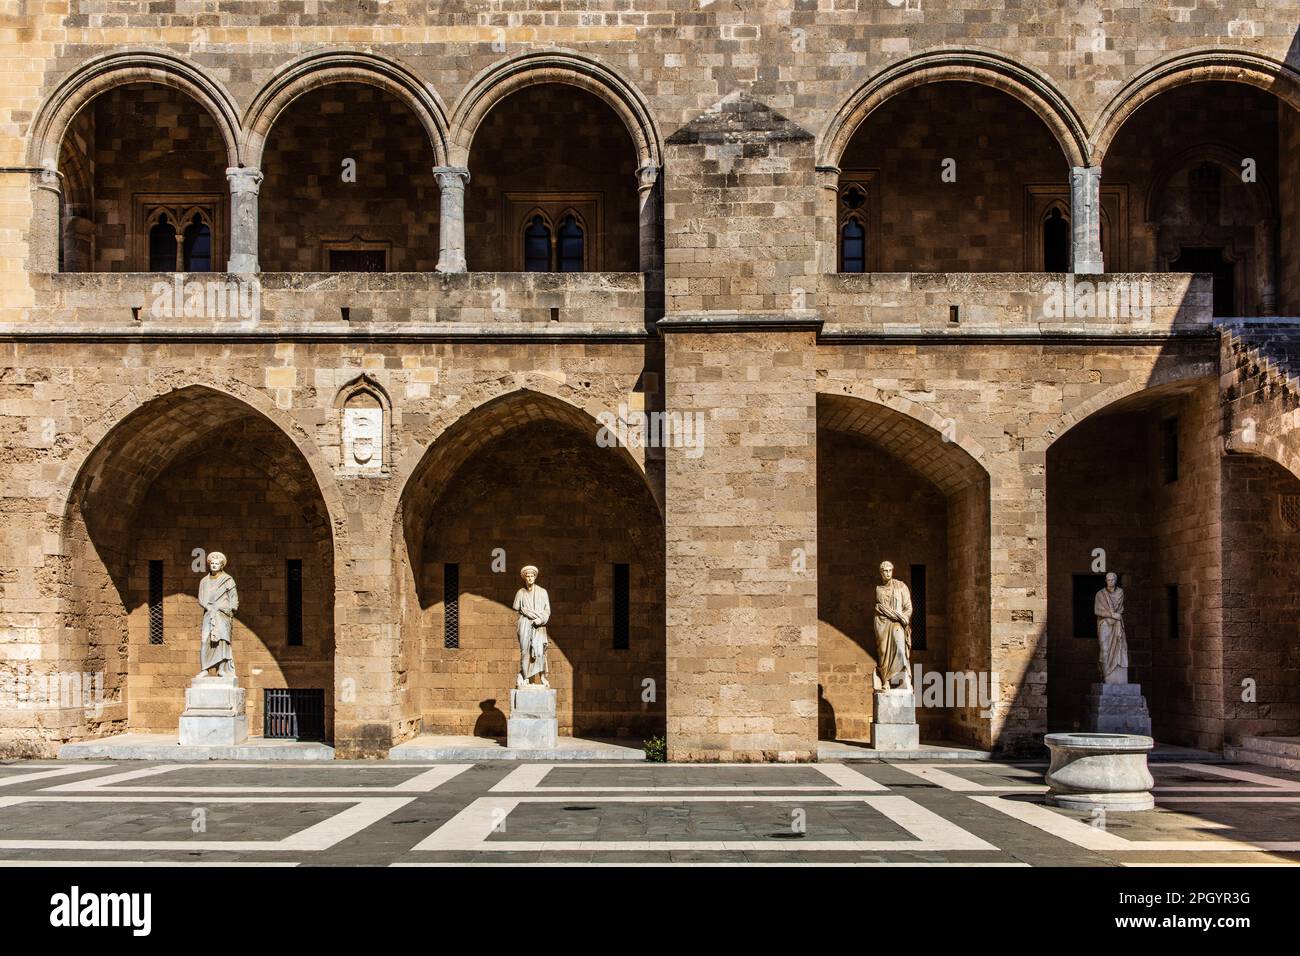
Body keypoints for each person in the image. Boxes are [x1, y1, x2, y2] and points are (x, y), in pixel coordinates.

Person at [197, 551, 238, 678]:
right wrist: (208, 607)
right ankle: (205, 669)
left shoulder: (228, 579)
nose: (214, 565)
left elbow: (233, 597)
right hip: (209, 614)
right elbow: (201, 598)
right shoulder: (204, 581)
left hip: (223, 614)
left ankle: (222, 669)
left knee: (222, 641)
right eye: (212, 563)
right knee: (205, 640)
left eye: (217, 564)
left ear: (221, 566)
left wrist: (231, 609)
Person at [873, 560, 913, 691]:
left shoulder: (901, 586)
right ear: (881, 572)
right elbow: (879, 608)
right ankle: (886, 681)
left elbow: (908, 607)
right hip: (882, 623)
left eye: (890, 570)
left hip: (897, 623)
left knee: (900, 647)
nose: (888, 573)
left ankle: (903, 680)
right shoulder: (878, 589)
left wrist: (904, 617)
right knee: (883, 652)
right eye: (885, 571)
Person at [513, 565, 550, 688]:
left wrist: (540, 619)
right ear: (525, 578)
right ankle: (525, 676)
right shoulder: (520, 593)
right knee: (525, 652)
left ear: (535, 577)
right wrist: (527, 613)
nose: (530, 578)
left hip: (538, 625)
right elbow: (517, 607)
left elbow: (547, 611)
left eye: (532, 576)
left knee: (539, 652)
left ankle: (543, 677)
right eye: (527, 576)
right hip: (524, 625)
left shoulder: (542, 592)